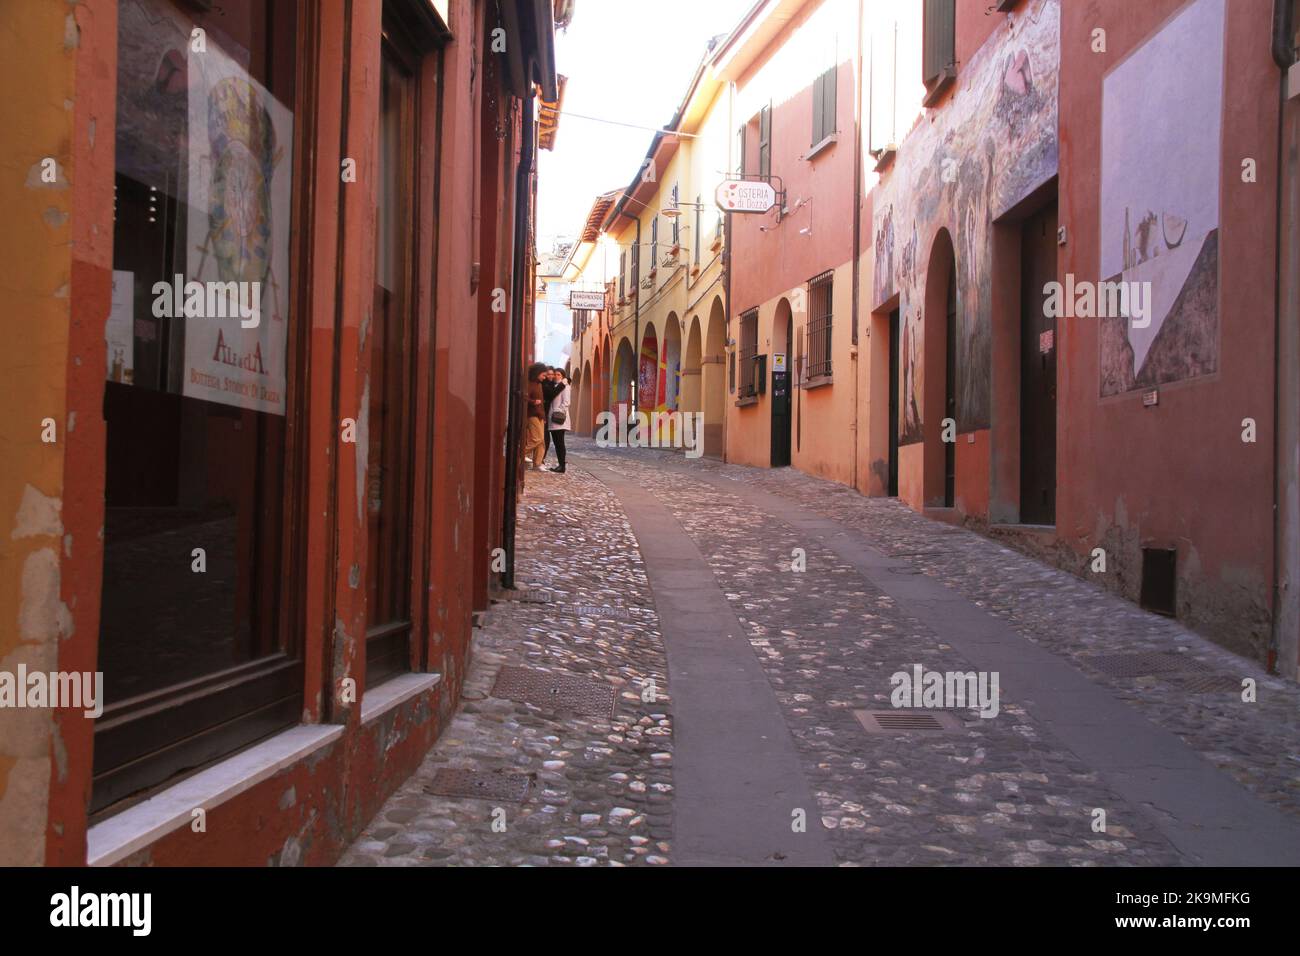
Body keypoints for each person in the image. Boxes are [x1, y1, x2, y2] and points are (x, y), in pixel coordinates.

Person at [546, 370, 571, 473]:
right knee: (556, 443)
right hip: (553, 419)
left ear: (563, 376)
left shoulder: (565, 386)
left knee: (560, 443)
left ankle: (562, 466)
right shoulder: (555, 386)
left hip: (559, 419)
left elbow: (566, 402)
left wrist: (558, 412)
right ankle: (560, 465)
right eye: (555, 374)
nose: (556, 376)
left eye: (558, 374)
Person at [524, 363, 547, 470]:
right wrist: (533, 402)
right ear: (537, 373)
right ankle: (521, 453)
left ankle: (537, 464)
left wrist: (544, 416)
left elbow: (541, 403)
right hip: (532, 414)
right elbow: (524, 397)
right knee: (537, 438)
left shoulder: (539, 384)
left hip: (540, 415)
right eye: (543, 375)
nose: (544, 377)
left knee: (542, 441)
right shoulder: (529, 384)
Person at [540, 368, 562, 462]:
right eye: (548, 374)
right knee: (544, 438)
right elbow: (552, 393)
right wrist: (563, 384)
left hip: (548, 415)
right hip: (543, 414)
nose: (551, 376)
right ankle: (540, 459)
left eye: (552, 374)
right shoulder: (544, 385)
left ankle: (541, 459)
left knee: (545, 438)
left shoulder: (551, 384)